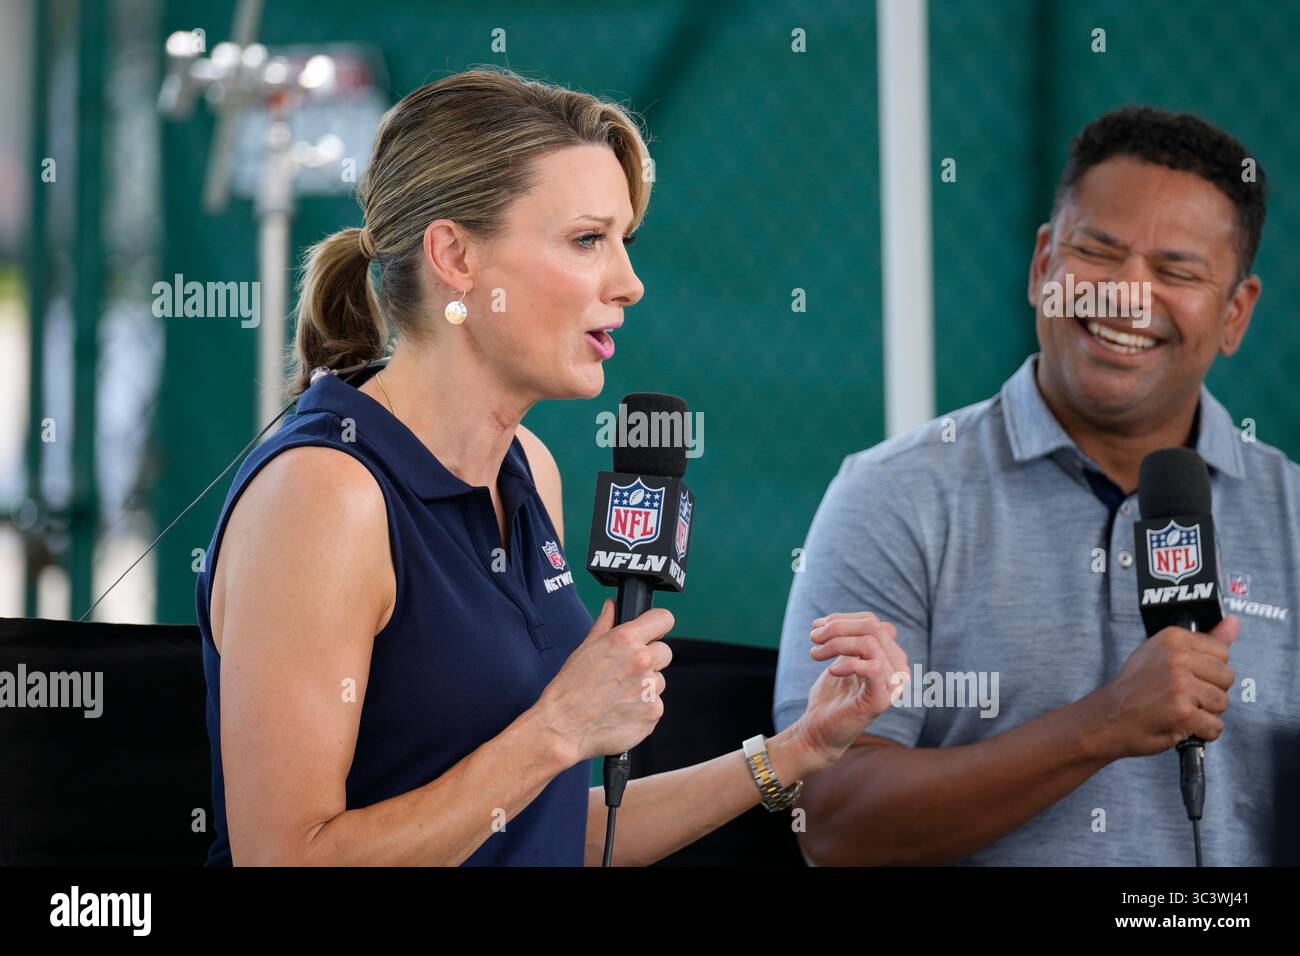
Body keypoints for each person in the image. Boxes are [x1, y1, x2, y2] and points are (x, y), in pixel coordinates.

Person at [196, 66, 908, 866]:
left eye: (623, 242)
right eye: (586, 240)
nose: (629, 284)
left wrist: (798, 750)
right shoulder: (326, 494)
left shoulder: (529, 468)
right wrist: (558, 729)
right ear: (456, 258)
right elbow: (284, 860)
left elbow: (544, 829)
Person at [775, 105, 1300, 866]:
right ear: (1042, 265)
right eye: (1099, 252)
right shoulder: (895, 495)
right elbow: (827, 821)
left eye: (1177, 272)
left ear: (1236, 315)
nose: (1126, 293)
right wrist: (1102, 724)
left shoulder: (1290, 516)